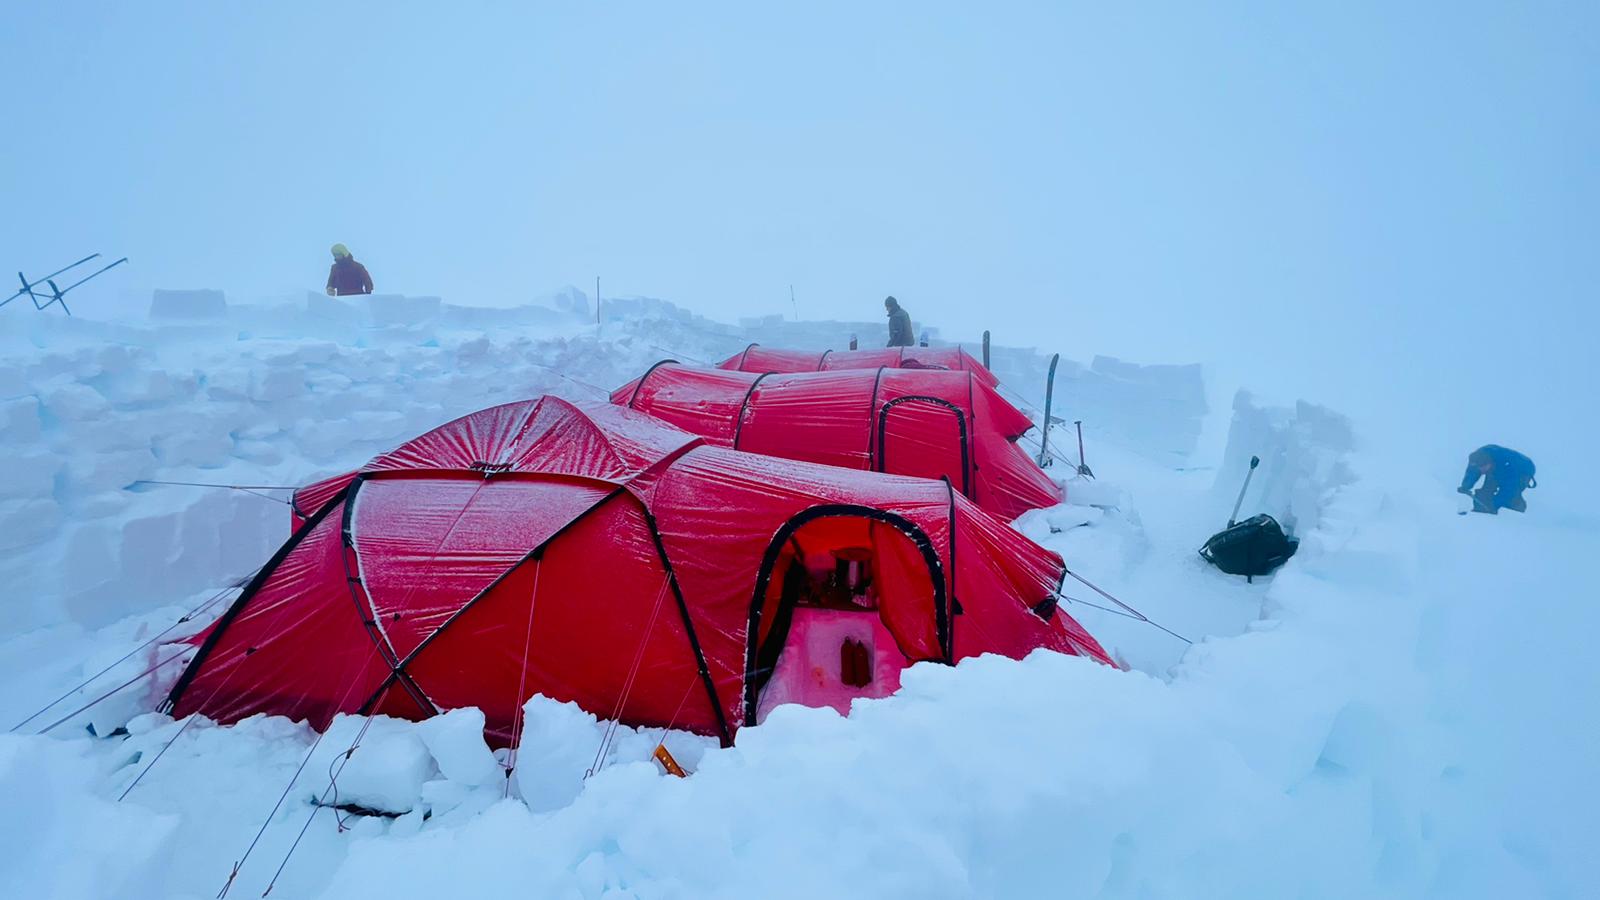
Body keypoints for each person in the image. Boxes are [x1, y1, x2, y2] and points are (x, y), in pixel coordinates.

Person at [1458, 444, 1537, 514]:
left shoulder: (1508, 466)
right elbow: (1471, 473)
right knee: (1486, 490)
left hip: (1522, 470)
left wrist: (1495, 505)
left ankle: (1516, 512)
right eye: (1478, 468)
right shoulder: (1476, 459)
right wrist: (1465, 486)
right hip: (1498, 467)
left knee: (1511, 496)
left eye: (1483, 468)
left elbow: (1509, 489)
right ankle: (1481, 511)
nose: (1481, 471)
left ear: (1489, 463)